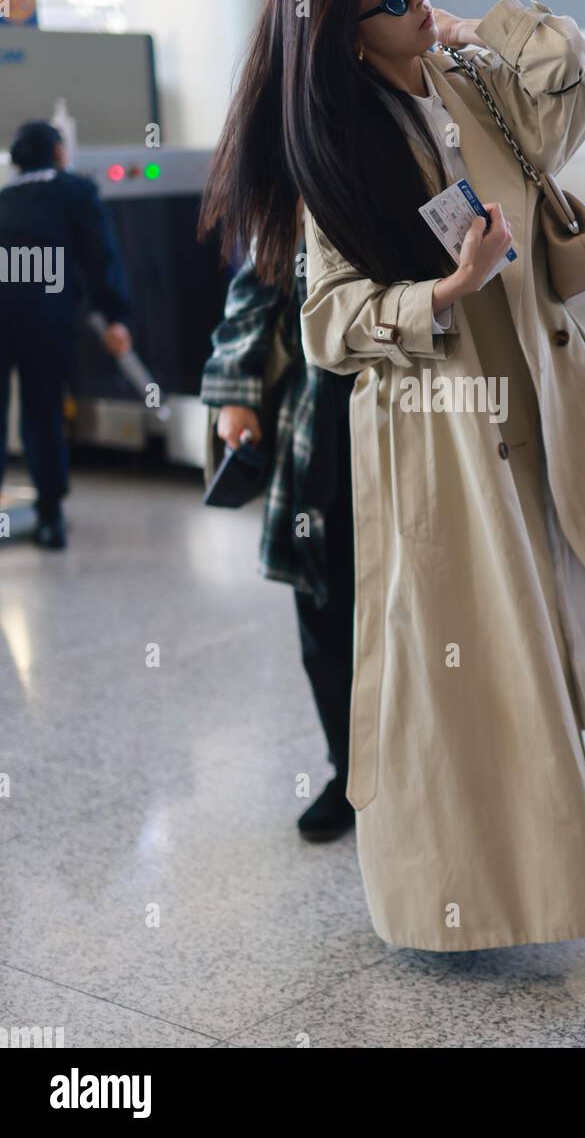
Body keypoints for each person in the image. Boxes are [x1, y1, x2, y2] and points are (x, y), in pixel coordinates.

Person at [200, 0, 585, 952]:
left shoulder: (471, 80)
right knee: (483, 665)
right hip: (446, 440)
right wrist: (441, 292)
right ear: (342, 39)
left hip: (555, 403)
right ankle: (503, 884)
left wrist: (471, 23)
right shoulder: (338, 149)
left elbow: (570, 78)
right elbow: (327, 325)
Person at [198, 247, 356, 841]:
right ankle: (348, 773)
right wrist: (236, 393)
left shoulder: (425, 161)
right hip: (318, 417)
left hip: (411, 410)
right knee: (324, 606)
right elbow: (254, 287)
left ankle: (413, 775)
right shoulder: (297, 176)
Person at [0, 121, 132, 549]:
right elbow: (100, 255)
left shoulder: (4, 197)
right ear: (59, 152)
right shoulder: (75, 190)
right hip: (44, 315)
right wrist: (115, 315)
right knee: (43, 413)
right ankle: (50, 518)